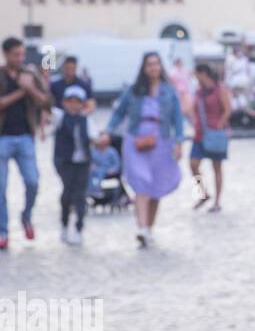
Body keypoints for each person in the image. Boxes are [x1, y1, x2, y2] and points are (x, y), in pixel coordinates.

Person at [98, 52, 184, 248]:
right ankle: (141, 227)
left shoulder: (169, 92)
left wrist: (179, 142)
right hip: (137, 139)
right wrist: (108, 132)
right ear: (144, 68)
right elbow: (118, 113)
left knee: (156, 187)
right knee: (142, 182)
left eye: (156, 64)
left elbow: (177, 119)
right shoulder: (134, 91)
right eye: (149, 65)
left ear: (160, 67)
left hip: (161, 141)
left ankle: (148, 228)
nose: (153, 68)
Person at [0, 36, 52, 250]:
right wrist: (22, 91)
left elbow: (47, 101)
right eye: (16, 54)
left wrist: (31, 89)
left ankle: (26, 217)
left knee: (32, 181)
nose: (20, 58)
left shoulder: (30, 74)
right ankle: (2, 231)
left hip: (25, 137)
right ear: (6, 54)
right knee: (0, 188)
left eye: (22, 54)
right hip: (2, 137)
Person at [52, 86, 93, 245]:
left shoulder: (86, 120)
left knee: (80, 195)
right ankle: (64, 223)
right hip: (66, 162)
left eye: (77, 102)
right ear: (64, 103)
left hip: (83, 162)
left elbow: (95, 137)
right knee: (67, 193)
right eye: (70, 101)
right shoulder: (60, 117)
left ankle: (78, 228)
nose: (73, 105)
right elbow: (47, 106)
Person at [189, 64, 232, 212]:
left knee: (217, 168)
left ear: (204, 74)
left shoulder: (219, 89)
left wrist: (220, 125)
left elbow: (227, 109)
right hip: (200, 134)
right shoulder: (199, 92)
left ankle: (217, 202)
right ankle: (202, 194)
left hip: (215, 134)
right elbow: (193, 109)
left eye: (197, 75)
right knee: (193, 164)